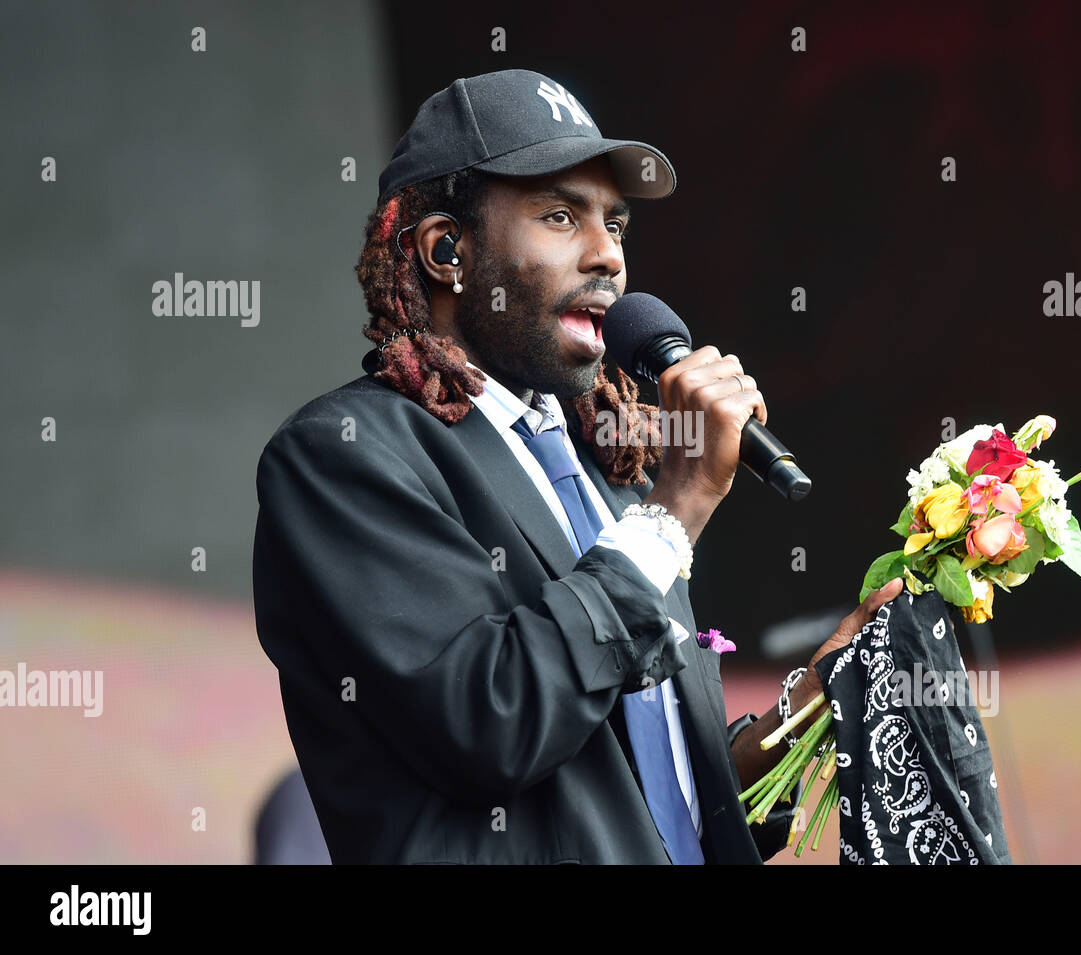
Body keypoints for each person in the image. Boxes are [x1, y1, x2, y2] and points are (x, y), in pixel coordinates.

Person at [252, 68, 902, 864]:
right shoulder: (344, 457)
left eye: (617, 225)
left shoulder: (607, 472)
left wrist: (813, 707)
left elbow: (644, 805)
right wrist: (676, 509)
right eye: (562, 216)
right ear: (446, 250)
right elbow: (491, 723)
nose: (610, 260)